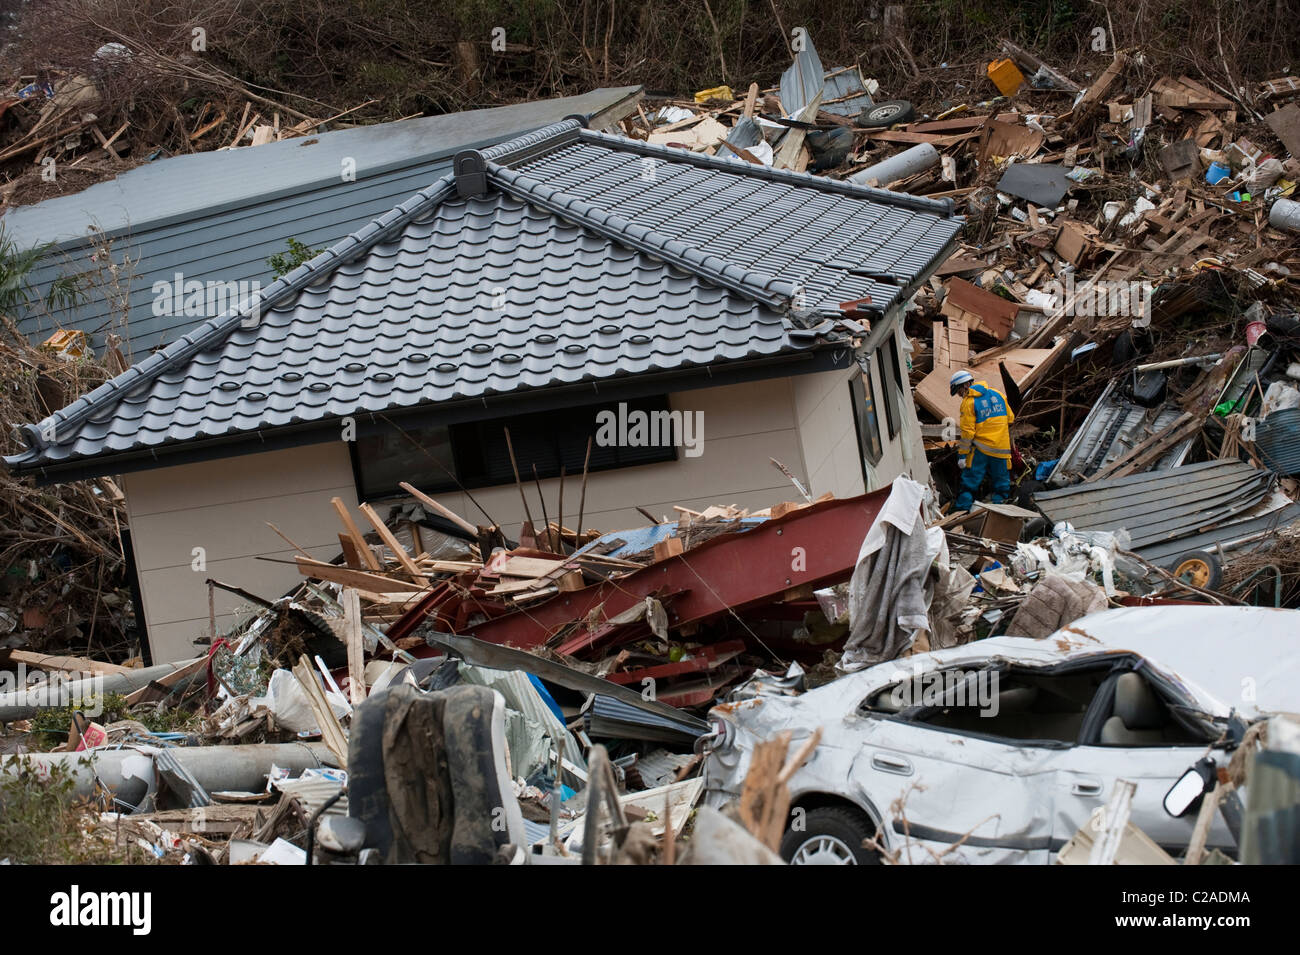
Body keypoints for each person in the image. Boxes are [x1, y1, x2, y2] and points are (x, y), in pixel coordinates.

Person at [950, 370, 1014, 511]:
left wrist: (962, 455)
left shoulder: (969, 403)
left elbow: (967, 433)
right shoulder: (998, 394)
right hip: (1001, 449)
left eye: (959, 392)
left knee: (970, 482)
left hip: (981, 450)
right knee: (1002, 485)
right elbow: (1011, 418)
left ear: (964, 386)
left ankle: (961, 512)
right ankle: (999, 513)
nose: (960, 395)